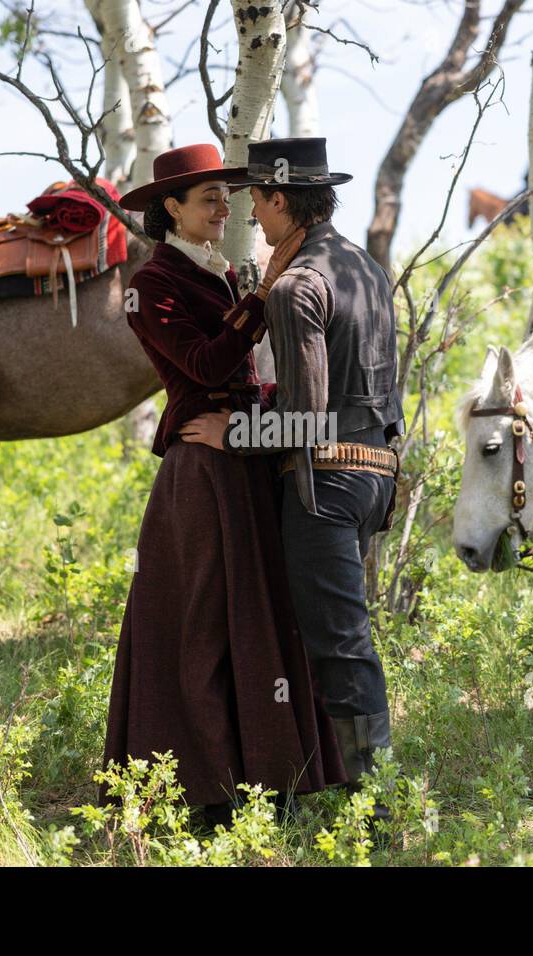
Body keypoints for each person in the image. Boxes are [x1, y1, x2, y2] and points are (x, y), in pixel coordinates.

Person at [101, 144, 347, 827]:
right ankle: (207, 792)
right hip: (202, 471)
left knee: (261, 616)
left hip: (242, 456)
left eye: (226, 196)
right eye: (208, 197)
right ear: (171, 209)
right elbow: (207, 364)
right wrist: (264, 296)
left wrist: (272, 413)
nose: (223, 207)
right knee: (203, 623)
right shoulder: (152, 285)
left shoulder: (223, 274)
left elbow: (245, 377)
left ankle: (271, 778)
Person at [180, 138, 406, 822]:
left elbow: (306, 421)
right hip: (375, 479)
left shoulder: (296, 283)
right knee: (337, 639)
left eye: (255, 199)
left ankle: (377, 810)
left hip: (325, 486)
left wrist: (233, 432)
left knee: (342, 645)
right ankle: (334, 789)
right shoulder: (362, 265)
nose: (249, 209)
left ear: (281, 200)